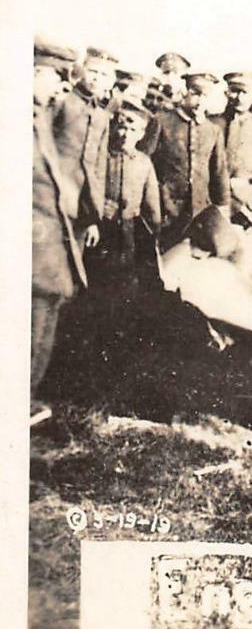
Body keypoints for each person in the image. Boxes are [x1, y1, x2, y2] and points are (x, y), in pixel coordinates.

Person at [32, 40, 85, 396]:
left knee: (40, 333)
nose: (63, 86)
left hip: (44, 258)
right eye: (56, 77)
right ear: (33, 72)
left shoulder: (39, 118)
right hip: (30, 257)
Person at [83, 98, 162, 290]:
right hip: (103, 228)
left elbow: (152, 206)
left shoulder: (143, 162)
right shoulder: (103, 156)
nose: (126, 135)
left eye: (133, 130)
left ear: (142, 134)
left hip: (129, 232)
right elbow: (89, 188)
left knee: (126, 283)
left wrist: (154, 233)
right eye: (122, 128)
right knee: (97, 279)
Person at [149, 73, 230, 247]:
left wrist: (223, 206)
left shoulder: (213, 130)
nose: (200, 102)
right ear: (185, 92)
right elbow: (144, 162)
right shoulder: (162, 122)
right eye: (195, 94)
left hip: (199, 210)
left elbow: (219, 172)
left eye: (206, 96)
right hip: (165, 208)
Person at [52, 48, 117, 225]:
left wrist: (94, 218)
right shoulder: (62, 101)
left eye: (104, 75)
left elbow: (99, 166)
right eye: (93, 71)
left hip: (83, 206)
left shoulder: (102, 116)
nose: (97, 78)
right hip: (53, 196)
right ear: (81, 71)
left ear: (110, 82)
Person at [219, 73, 252, 215]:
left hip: (244, 199)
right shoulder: (212, 123)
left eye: (245, 93)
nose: (240, 98)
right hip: (214, 197)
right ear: (226, 93)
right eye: (234, 91)